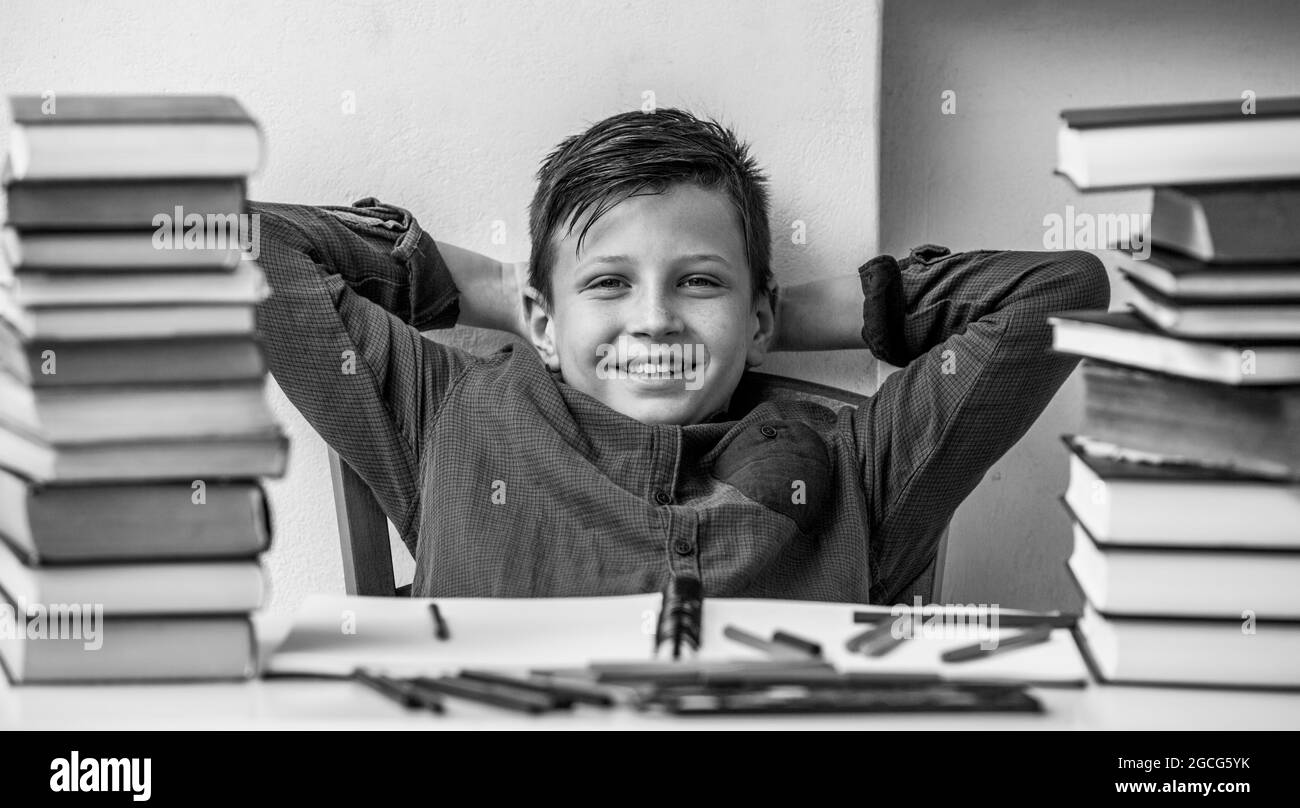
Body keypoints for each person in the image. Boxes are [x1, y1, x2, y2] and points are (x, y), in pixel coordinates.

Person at [249, 107, 1109, 603]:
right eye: (610, 284)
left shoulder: (859, 468)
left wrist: (770, 315)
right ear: (540, 320)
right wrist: (501, 291)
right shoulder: (448, 417)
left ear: (761, 311)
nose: (654, 320)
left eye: (697, 281)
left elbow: (1061, 291)